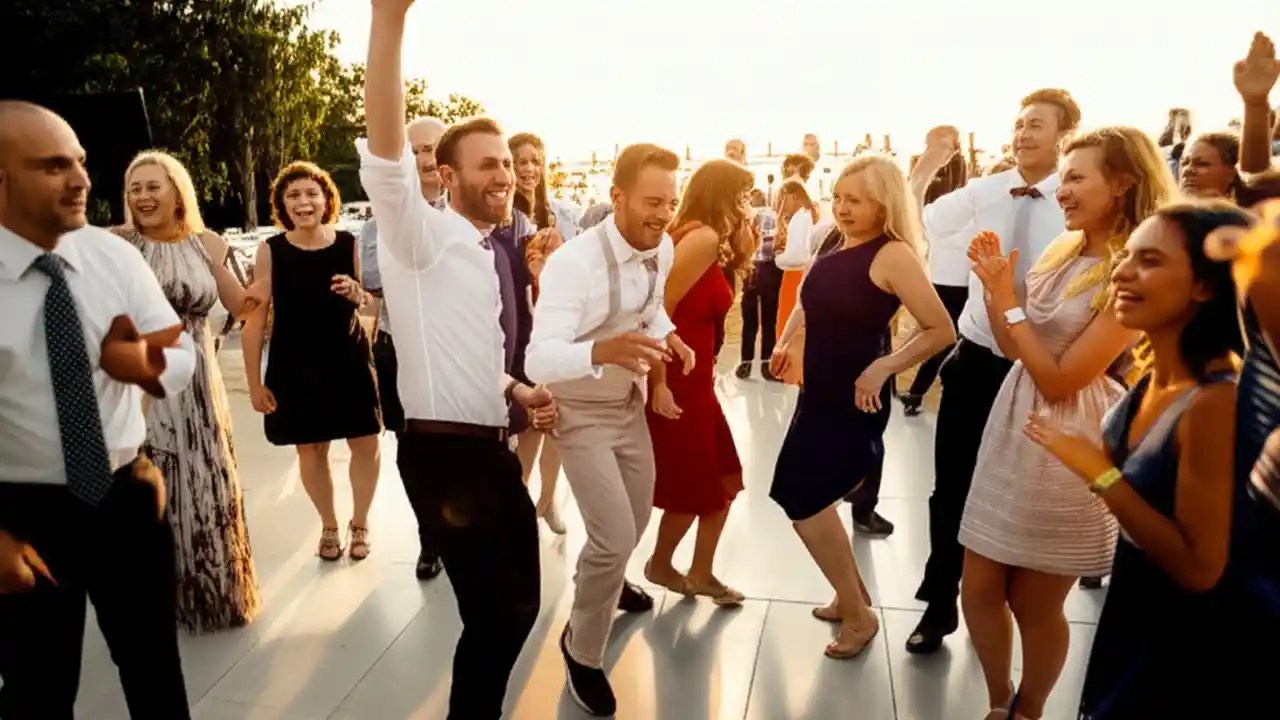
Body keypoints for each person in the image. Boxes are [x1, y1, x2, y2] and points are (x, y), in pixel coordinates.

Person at [360, 2, 559, 717]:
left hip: (488, 448)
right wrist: (389, 22)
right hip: (445, 455)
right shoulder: (417, 234)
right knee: (496, 615)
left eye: (508, 162)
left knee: (518, 606)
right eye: (489, 164)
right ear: (446, 175)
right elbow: (387, 151)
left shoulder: (481, 250)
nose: (505, 174)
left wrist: (517, 389)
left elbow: (466, 349)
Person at [957, 126, 1174, 719]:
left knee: (1035, 603)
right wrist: (997, 292)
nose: (1062, 190)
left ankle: (1028, 710)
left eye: (1077, 177)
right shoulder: (1063, 249)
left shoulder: (1135, 272)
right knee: (977, 590)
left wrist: (1009, 302)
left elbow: (1063, 379)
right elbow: (1014, 346)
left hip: (1072, 436)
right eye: (1064, 177)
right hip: (1014, 422)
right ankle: (999, 699)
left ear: (1122, 183)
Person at [0, 100, 195, 718]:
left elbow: (181, 352)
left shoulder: (114, 256)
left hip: (127, 496)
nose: (82, 180)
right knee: (38, 689)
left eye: (80, 162)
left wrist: (144, 362)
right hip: (23, 517)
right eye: (54, 166)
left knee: (155, 670)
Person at [1026, 202, 1248, 718]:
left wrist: (1098, 472)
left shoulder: (1216, 401)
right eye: (1125, 256)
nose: (1121, 272)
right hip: (1135, 610)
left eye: (1149, 261)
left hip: (1186, 645)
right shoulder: (1153, 377)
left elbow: (1199, 568)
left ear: (1205, 285)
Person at [906, 89, 1081, 654]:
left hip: (1042, 367)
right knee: (950, 487)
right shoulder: (988, 189)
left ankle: (1003, 607)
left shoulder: (1076, 199)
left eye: (1036, 125)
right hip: (978, 359)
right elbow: (928, 220)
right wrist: (946, 170)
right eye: (1019, 123)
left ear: (1065, 136)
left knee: (1022, 494)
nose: (1023, 133)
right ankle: (939, 601)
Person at [525, 142, 694, 717]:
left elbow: (652, 305)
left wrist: (670, 335)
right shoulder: (573, 265)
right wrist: (603, 350)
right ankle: (582, 649)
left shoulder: (662, 245)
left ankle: (607, 580)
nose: (663, 215)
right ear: (617, 197)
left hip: (628, 404)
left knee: (636, 518)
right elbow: (539, 358)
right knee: (614, 536)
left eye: (670, 203)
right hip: (579, 411)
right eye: (652, 202)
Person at [769, 156, 955, 658]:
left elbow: (941, 330)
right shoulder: (838, 239)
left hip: (854, 397)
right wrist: (787, 340)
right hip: (819, 391)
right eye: (839, 197)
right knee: (808, 496)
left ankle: (858, 615)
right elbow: (809, 299)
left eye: (856, 200)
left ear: (884, 204)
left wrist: (884, 367)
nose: (843, 208)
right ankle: (849, 594)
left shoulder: (892, 254)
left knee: (802, 499)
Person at [113, 150, 261, 632]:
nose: (142, 196)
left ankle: (212, 596)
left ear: (177, 192)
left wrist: (269, 278)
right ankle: (153, 602)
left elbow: (240, 305)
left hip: (198, 380)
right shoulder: (120, 244)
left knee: (203, 477)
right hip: (143, 377)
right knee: (151, 477)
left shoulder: (206, 243)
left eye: (152, 186)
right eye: (135, 188)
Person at [242, 161, 383, 561]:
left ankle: (361, 523)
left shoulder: (349, 244)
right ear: (283, 205)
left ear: (326, 201)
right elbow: (255, 323)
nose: (303, 202)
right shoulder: (270, 251)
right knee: (310, 450)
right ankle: (329, 525)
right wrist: (254, 384)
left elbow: (371, 305)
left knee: (366, 443)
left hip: (349, 360)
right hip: (295, 365)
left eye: (311, 194)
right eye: (293, 195)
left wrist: (357, 294)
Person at [644, 159, 755, 607]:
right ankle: (661, 564)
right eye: (741, 196)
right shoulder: (702, 237)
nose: (746, 205)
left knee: (722, 477)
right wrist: (659, 381)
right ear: (722, 195)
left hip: (695, 380)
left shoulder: (702, 236)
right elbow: (658, 308)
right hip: (679, 379)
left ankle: (701, 571)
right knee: (697, 484)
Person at [360, 115, 448, 581]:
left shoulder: (472, 213)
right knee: (412, 448)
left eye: (431, 147)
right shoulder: (379, 222)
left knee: (463, 444)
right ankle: (429, 536)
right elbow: (375, 284)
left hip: (459, 348)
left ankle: (464, 531)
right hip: (402, 347)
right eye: (413, 151)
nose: (425, 158)